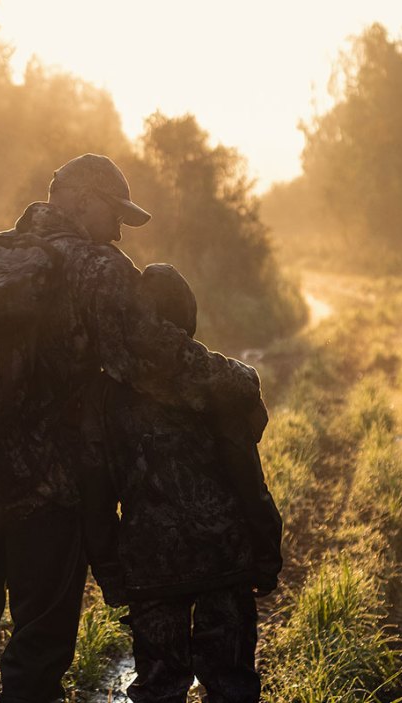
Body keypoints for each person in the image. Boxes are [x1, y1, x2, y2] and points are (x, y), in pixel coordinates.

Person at [0, 154, 265, 703]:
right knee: (39, 642)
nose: (118, 228)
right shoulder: (95, 267)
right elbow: (152, 360)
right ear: (78, 200)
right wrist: (234, 379)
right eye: (113, 212)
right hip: (49, 489)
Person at [83, 263, 282, 703]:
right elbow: (248, 479)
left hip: (150, 565)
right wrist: (266, 551)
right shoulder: (216, 384)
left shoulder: (103, 398)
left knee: (158, 690)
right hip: (223, 561)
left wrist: (111, 573)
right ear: (186, 317)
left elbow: (97, 498)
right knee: (231, 683)